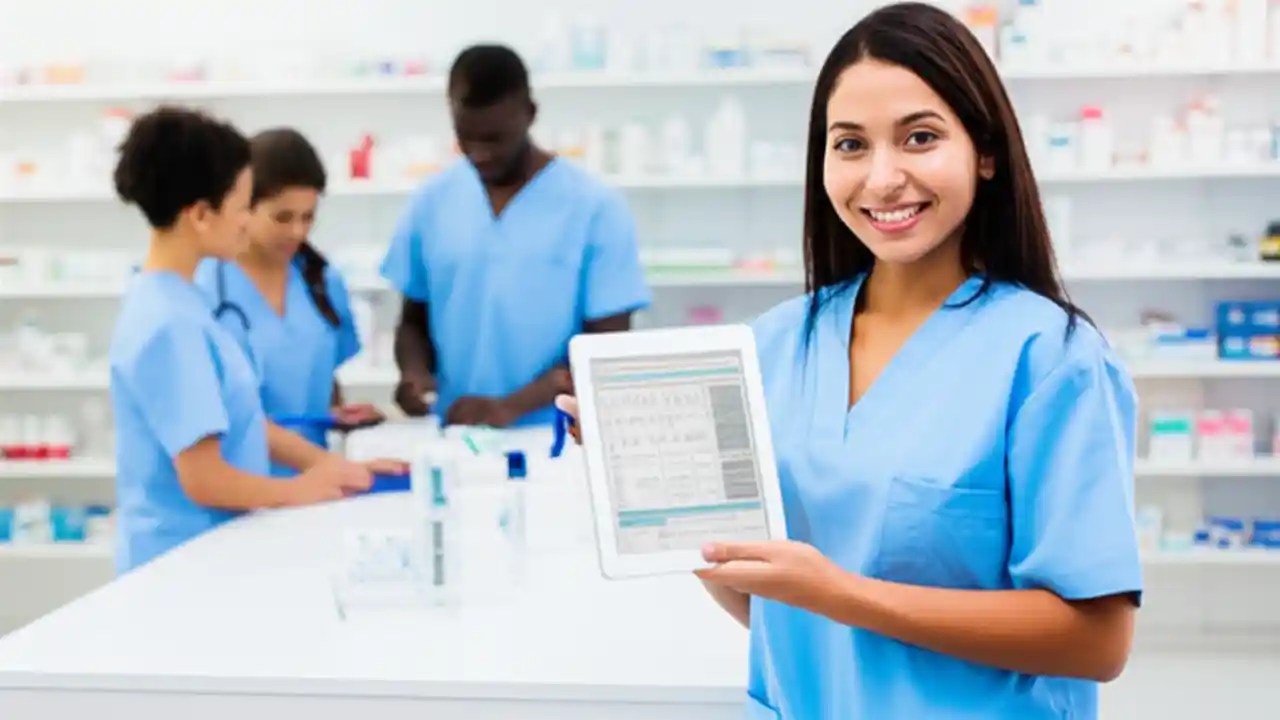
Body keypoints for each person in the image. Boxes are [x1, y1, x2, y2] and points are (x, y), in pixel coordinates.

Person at [555, 4, 1141, 718]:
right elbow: (781, 614)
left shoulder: (1051, 359)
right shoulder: (774, 345)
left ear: (984, 152)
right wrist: (660, 491)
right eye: (851, 145)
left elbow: (1098, 642)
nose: (883, 177)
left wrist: (838, 591)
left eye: (919, 138)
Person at [109, 107, 398, 574]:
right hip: (179, 566)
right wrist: (298, 490)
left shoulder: (178, 303)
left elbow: (240, 422)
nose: (248, 224)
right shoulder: (171, 323)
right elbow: (204, 480)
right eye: (244, 207)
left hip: (212, 552)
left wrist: (331, 468)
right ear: (201, 215)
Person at [380, 44, 651, 428]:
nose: (479, 154)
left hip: (558, 437)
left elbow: (605, 348)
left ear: (530, 114)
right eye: (466, 138)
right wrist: (414, 374)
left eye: (494, 139)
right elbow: (412, 321)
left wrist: (509, 407)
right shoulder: (432, 201)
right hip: (458, 432)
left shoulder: (595, 208)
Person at [194, 128, 381, 476]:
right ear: (244, 208)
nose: (298, 232)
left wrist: (336, 413)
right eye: (282, 217)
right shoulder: (205, 288)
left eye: (308, 217)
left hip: (315, 481)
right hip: (238, 485)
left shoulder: (322, 281)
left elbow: (323, 377)